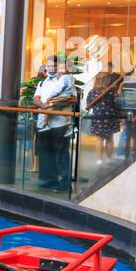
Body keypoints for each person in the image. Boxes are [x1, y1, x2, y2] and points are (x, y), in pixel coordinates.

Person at [33, 57, 77, 190]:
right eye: (49, 65)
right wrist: (44, 106)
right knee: (45, 153)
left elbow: (73, 98)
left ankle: (64, 185)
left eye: (54, 65)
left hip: (61, 123)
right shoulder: (42, 83)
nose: (51, 68)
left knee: (61, 154)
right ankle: (48, 181)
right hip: (43, 122)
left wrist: (54, 104)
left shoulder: (65, 80)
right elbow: (36, 99)